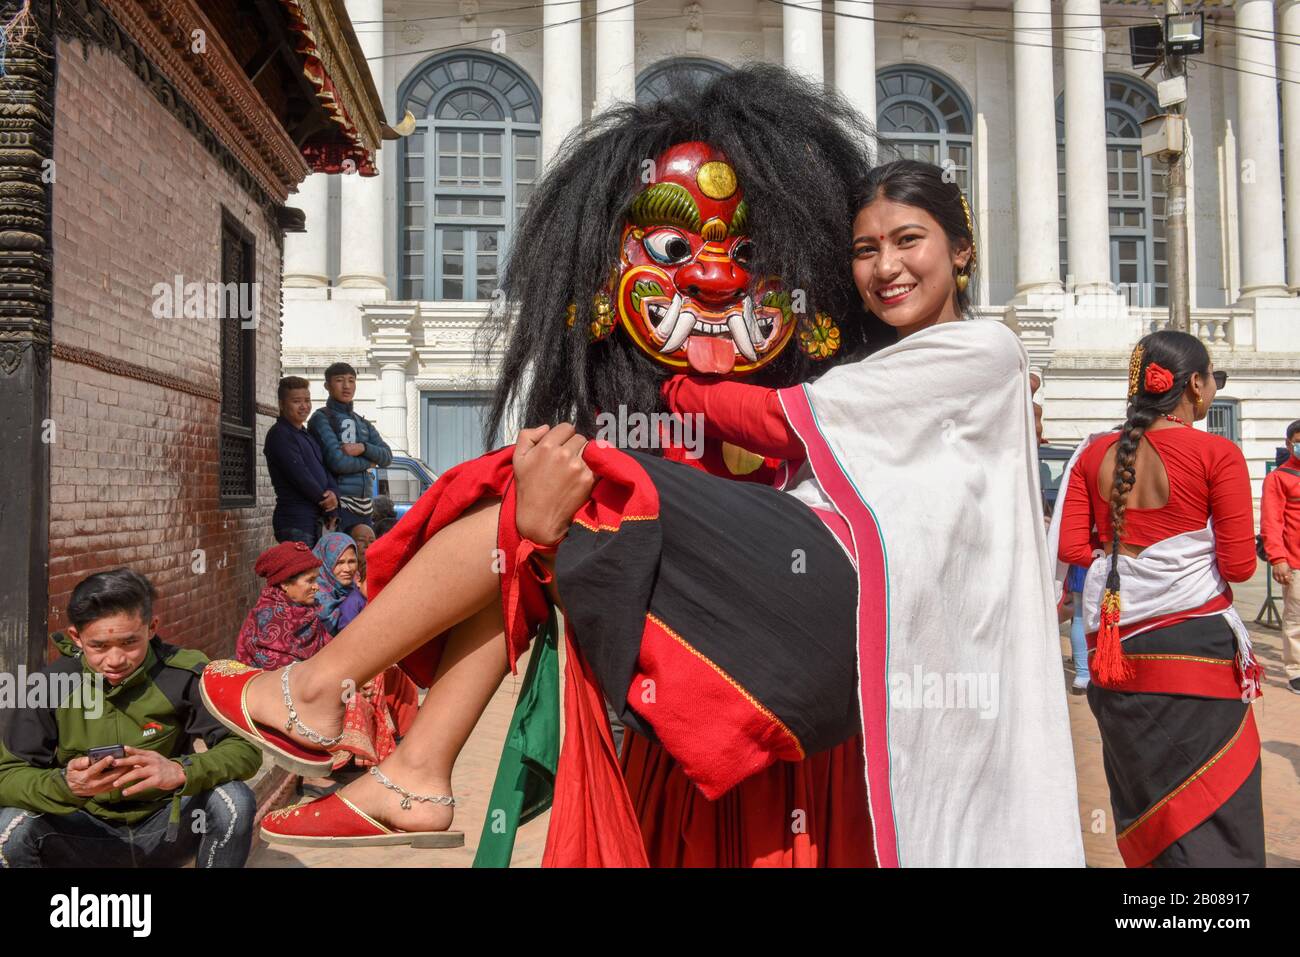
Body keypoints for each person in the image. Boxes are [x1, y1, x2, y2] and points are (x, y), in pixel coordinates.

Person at [201, 157, 1083, 867]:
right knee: (536, 513)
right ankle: (415, 767)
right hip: (739, 639)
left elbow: (770, 421)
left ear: (962, 250)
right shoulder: (874, 370)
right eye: (864, 249)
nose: (886, 266)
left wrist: (666, 365)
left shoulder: (978, 349)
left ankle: (324, 694)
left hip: (817, 606)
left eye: (910, 240)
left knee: (570, 473)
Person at [1050, 329, 1263, 867]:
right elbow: (1239, 565)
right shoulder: (1218, 453)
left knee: (1145, 804)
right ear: (1195, 384)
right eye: (1214, 378)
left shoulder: (1094, 452)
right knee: (1215, 808)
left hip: (1114, 653)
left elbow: (1076, 546)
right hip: (1197, 655)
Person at [0, 570, 261, 868]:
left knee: (233, 800)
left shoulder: (185, 674)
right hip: (81, 834)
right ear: (77, 636)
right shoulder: (48, 687)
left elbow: (245, 750)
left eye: (129, 643)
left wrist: (182, 770)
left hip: (169, 830)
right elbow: (7, 776)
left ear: (151, 628)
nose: (115, 660)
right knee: (9, 827)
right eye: (98, 646)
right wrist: (65, 785)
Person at [312, 533, 421, 771]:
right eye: (339, 563)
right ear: (326, 565)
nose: (347, 569)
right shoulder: (316, 598)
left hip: (348, 661)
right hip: (323, 668)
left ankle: (404, 738)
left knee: (396, 675)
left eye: (351, 562)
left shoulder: (353, 592)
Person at [309, 363, 392, 535]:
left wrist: (362, 447)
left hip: (366, 506)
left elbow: (387, 456)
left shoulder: (363, 423)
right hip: (339, 504)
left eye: (351, 380)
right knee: (338, 557)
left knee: (362, 558)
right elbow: (337, 462)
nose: (346, 386)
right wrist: (370, 462)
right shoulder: (321, 418)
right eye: (339, 380)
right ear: (327, 386)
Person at [235, 542, 332, 681]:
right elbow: (288, 678)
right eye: (310, 581)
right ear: (285, 584)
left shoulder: (307, 614)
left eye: (316, 579)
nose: (316, 587)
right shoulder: (269, 620)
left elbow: (331, 651)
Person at [265, 375, 338, 546]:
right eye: (297, 401)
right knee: (303, 573)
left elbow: (325, 469)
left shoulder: (307, 435)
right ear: (282, 404)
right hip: (296, 521)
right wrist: (327, 501)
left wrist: (334, 493)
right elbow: (300, 476)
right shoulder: (279, 434)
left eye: (307, 400)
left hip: (316, 519)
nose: (304, 406)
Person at [1260, 418, 1300, 694]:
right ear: (1289, 444)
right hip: (1295, 562)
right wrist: (1278, 558)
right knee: (1296, 621)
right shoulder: (1279, 478)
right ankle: (1296, 671)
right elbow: (1271, 522)